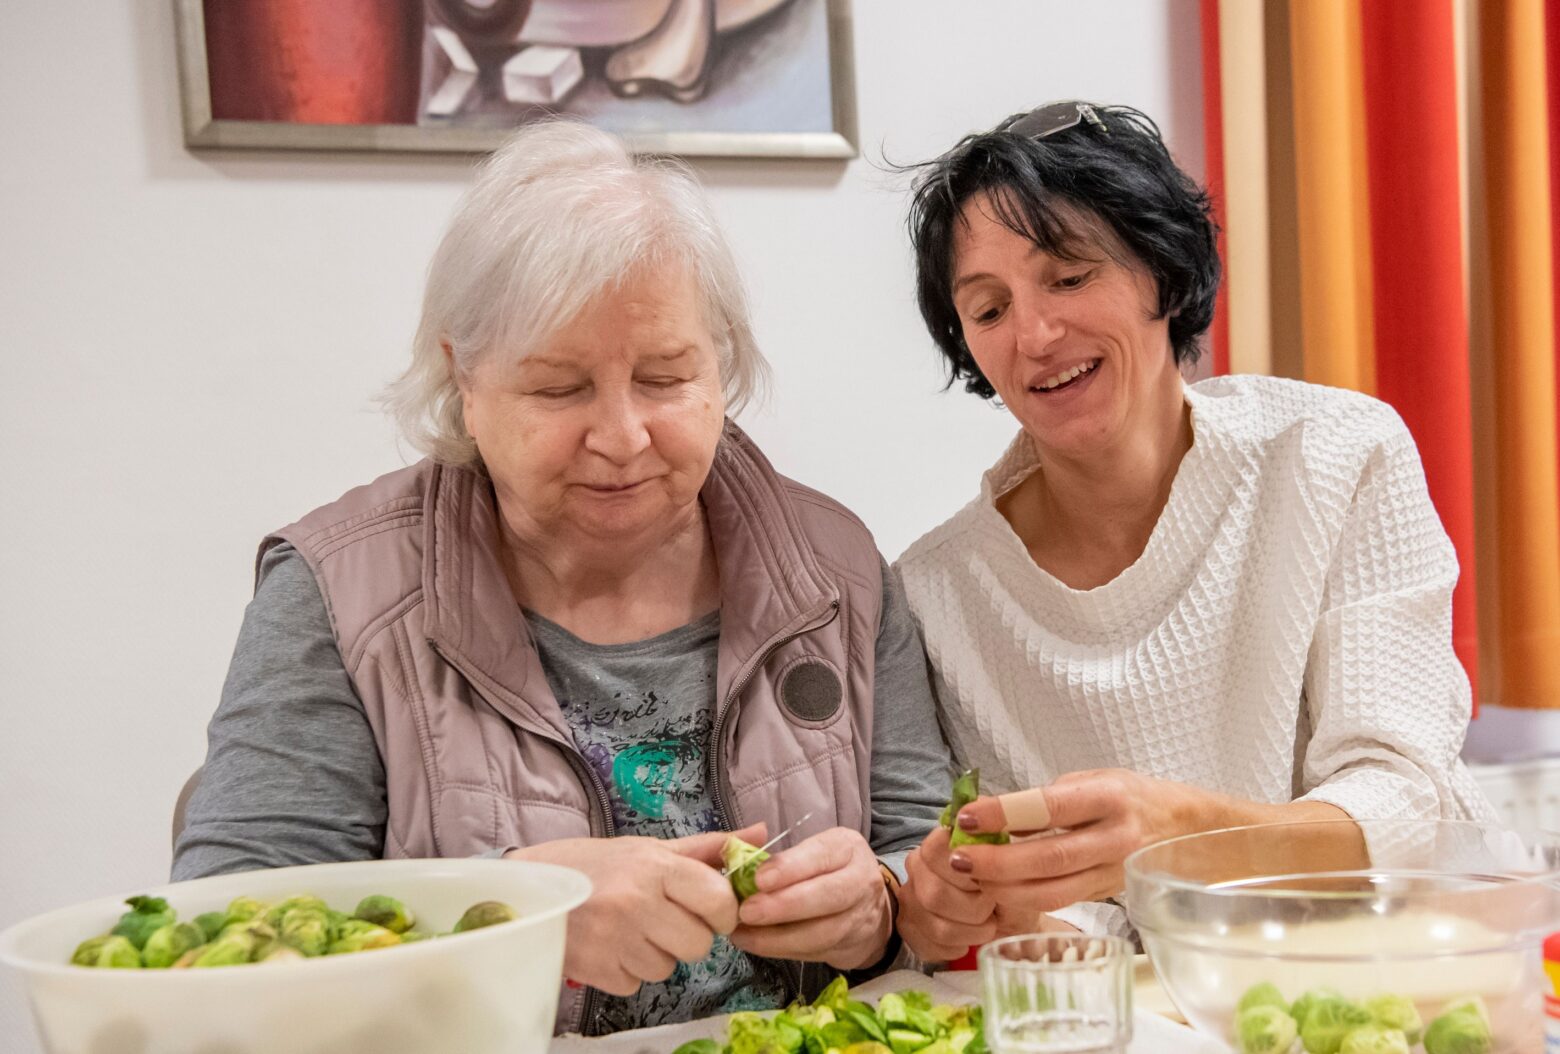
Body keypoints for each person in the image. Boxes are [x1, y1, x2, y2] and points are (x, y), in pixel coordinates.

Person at [172, 120, 951, 1035]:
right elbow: (226, 940)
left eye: (665, 377)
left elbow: (924, 864)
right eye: (557, 389)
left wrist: (881, 909)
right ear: (464, 379)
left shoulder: (835, 569)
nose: (621, 437)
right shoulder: (336, 595)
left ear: (722, 363)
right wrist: (514, 910)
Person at [889, 101, 1494, 961]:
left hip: (1409, 977)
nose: (1034, 334)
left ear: (1161, 273)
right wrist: (991, 913)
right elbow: (1080, 922)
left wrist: (1181, 837)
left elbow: (1408, 808)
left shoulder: (1334, 456)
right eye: (987, 311)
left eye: (1067, 277)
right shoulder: (941, 590)